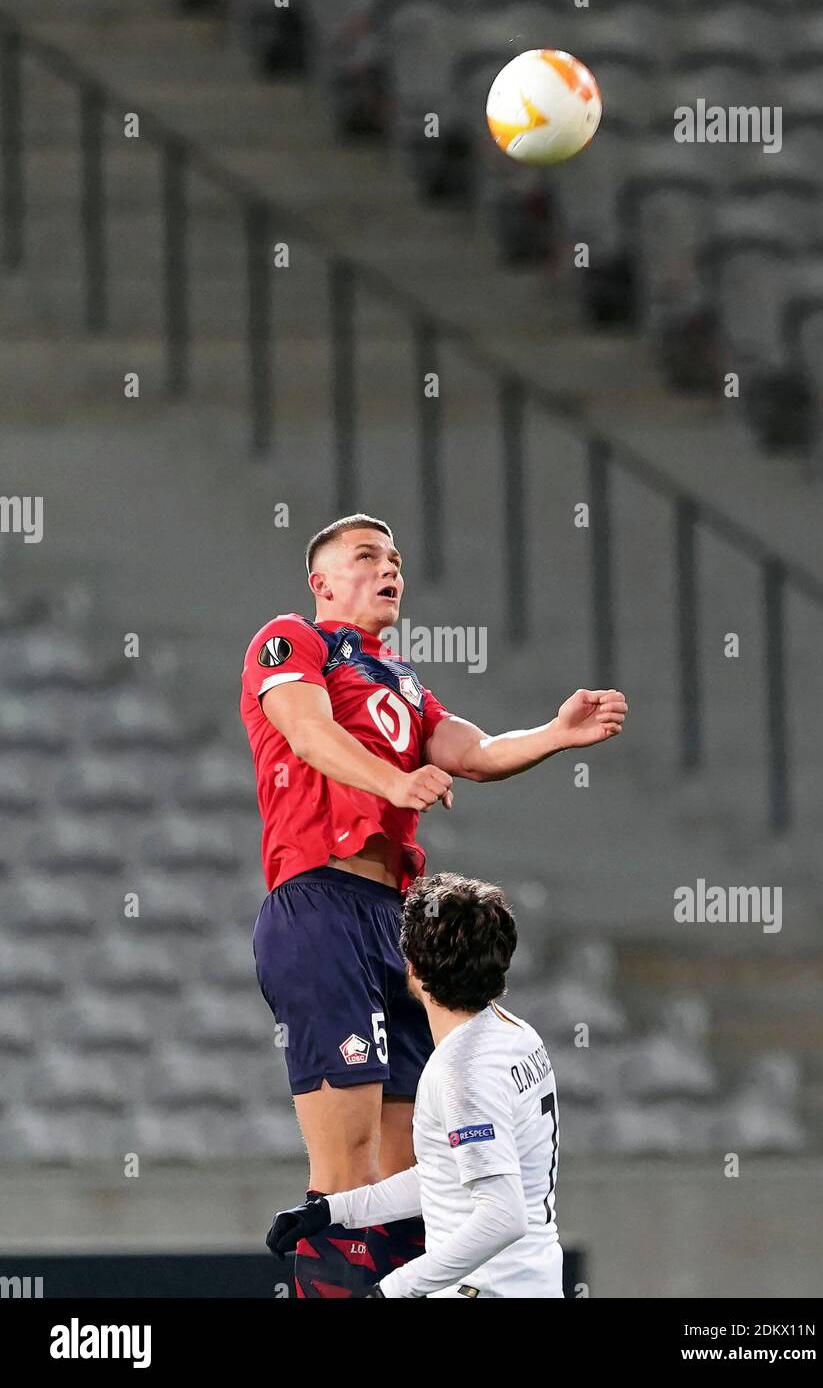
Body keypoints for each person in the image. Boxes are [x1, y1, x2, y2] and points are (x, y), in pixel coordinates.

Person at [240, 512, 626, 1295]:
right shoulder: (290, 640)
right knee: (345, 1169)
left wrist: (554, 733)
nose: (391, 569)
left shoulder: (401, 679)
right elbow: (308, 732)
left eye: (396, 558)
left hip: (396, 922)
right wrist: (394, 781)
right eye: (368, 556)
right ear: (323, 583)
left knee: (419, 1161)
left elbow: (473, 753)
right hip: (320, 902)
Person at [266, 872, 563, 1298]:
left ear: (410, 963)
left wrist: (393, 1290)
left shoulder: (462, 1073)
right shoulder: (518, 1036)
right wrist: (334, 1210)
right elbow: (447, 1176)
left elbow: (503, 1215)